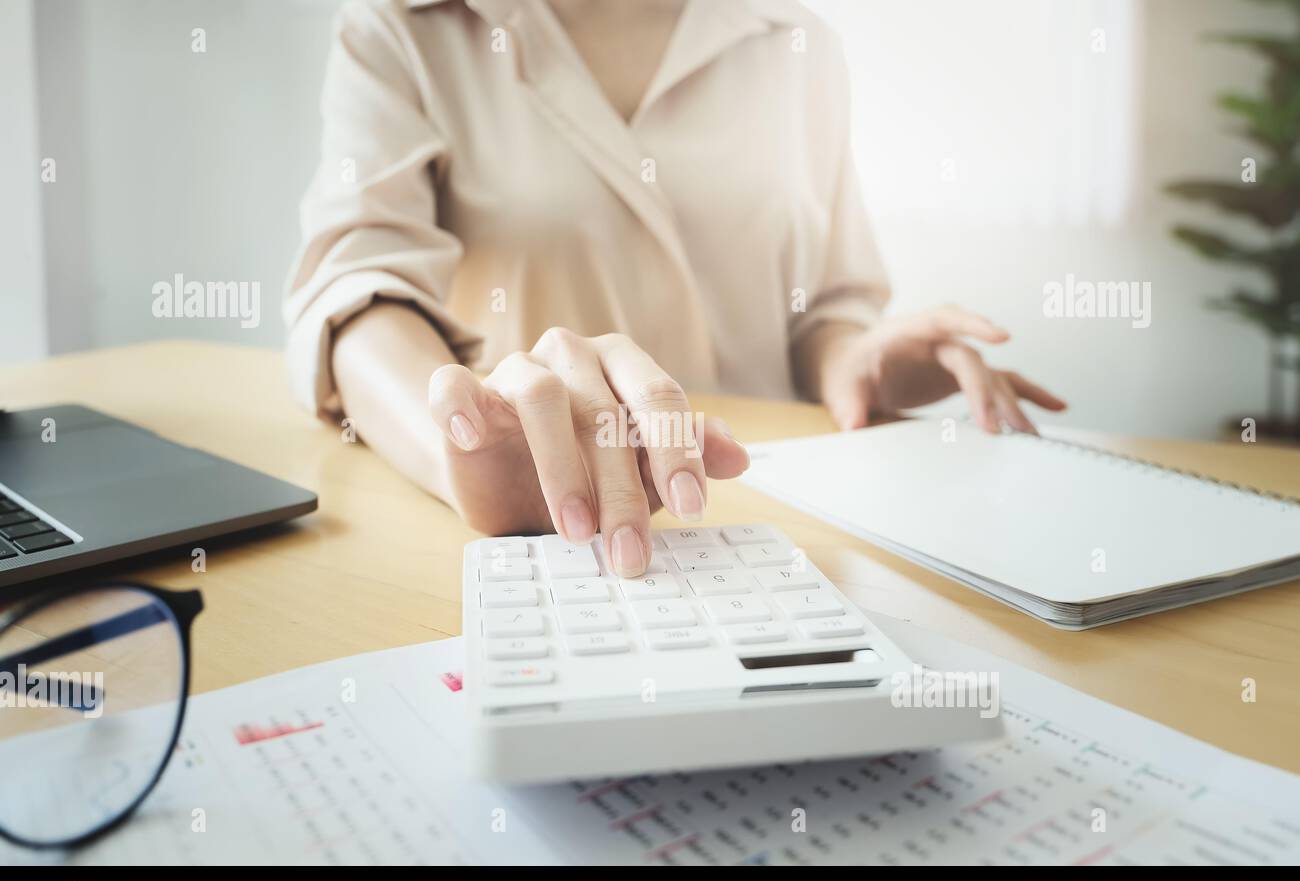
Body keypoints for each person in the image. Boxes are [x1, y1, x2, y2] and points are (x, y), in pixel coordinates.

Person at [284, 0, 1066, 577]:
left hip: (770, 524)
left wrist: (855, 357)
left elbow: (824, 307)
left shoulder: (799, 40)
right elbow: (356, 290)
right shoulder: (402, 26)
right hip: (554, 537)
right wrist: (464, 453)